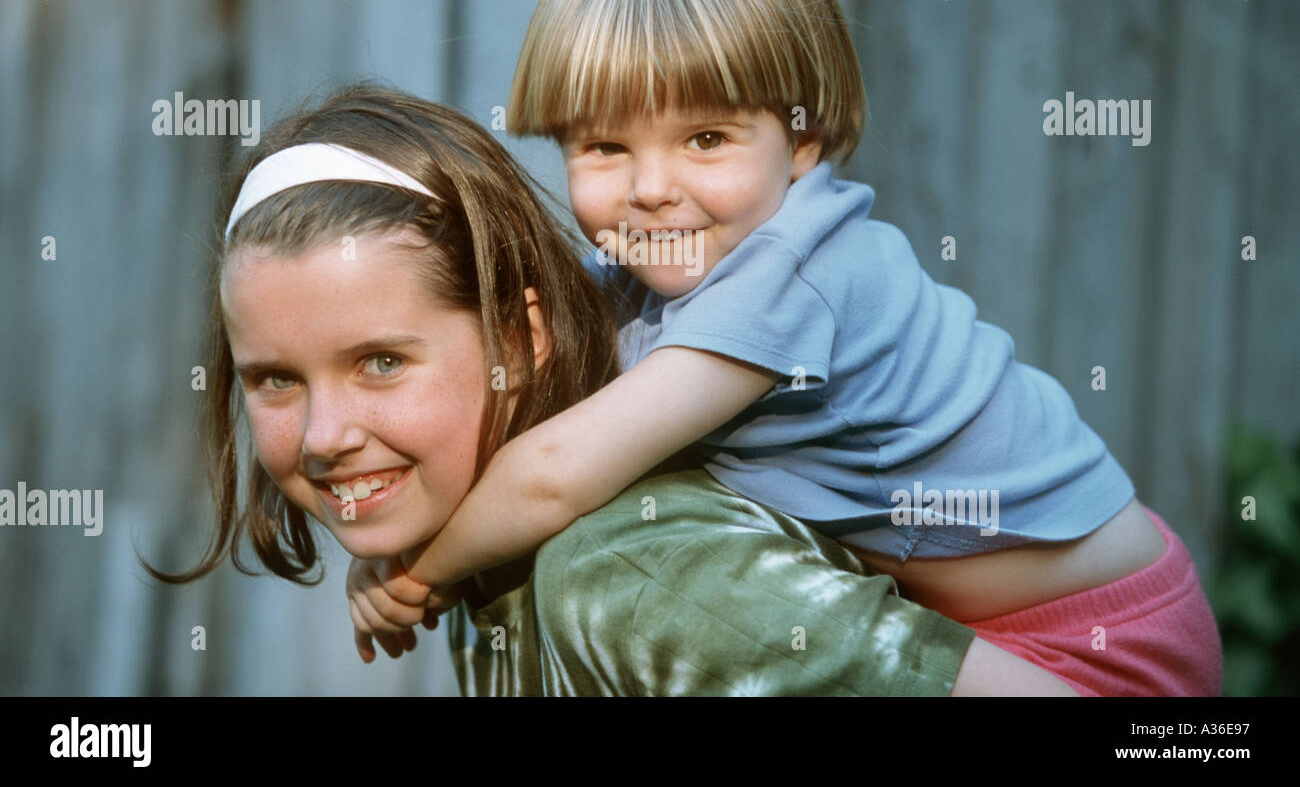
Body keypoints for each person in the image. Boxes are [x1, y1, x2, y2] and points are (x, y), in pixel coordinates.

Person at [367, 0, 1222, 696]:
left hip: (1099, 646)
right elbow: (515, 397)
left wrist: (419, 571)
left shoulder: (796, 273)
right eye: (604, 146)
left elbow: (552, 475)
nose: (653, 187)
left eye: (707, 138)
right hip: (961, 629)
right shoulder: (646, 269)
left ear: (802, 139)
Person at [143, 85, 1077, 695]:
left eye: (382, 361)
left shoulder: (630, 576)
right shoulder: (485, 561)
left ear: (525, 335)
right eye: (273, 378)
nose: (323, 435)